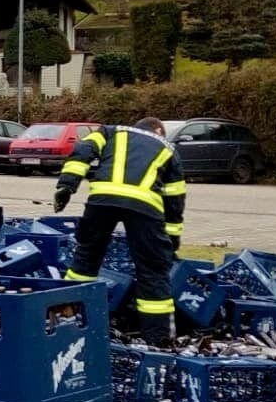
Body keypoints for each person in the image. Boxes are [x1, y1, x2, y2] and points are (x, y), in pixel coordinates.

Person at [51, 115, 185, 346]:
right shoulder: (168, 147)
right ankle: (158, 341)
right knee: (152, 272)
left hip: (102, 201)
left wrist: (67, 185)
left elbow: (83, 150)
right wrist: (171, 240)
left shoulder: (110, 131)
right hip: (145, 209)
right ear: (158, 131)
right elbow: (174, 199)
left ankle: (66, 320)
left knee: (85, 260)